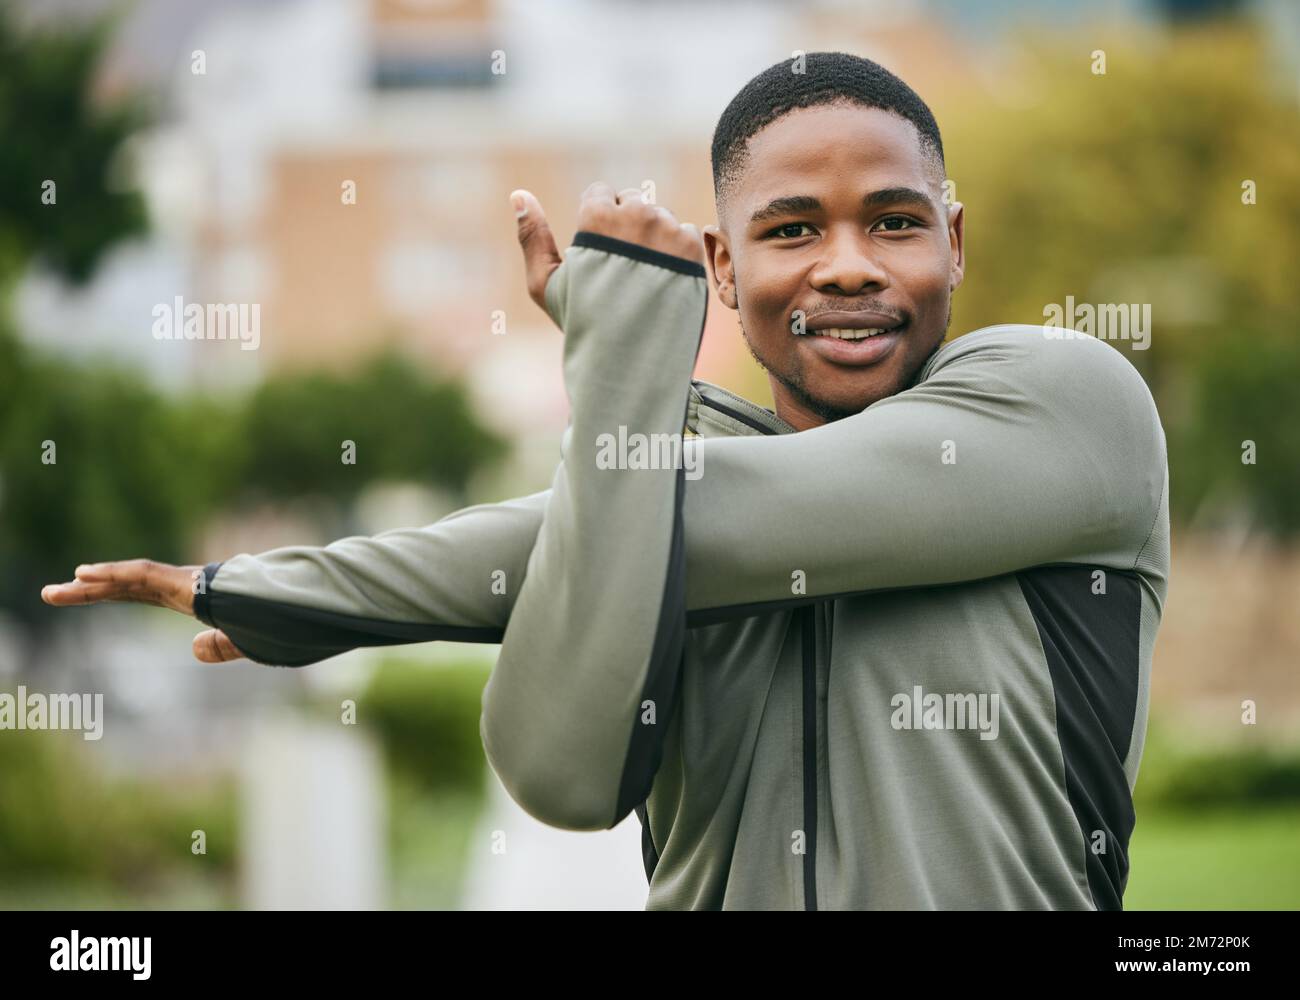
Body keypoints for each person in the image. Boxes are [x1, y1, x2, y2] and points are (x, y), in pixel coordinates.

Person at [42, 52, 1169, 911]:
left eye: (894, 221)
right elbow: (560, 777)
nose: (848, 263)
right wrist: (624, 391)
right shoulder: (631, 491)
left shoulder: (1067, 407)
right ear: (721, 269)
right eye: (789, 229)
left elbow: (714, 519)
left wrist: (304, 594)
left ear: (955, 241)